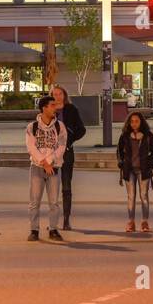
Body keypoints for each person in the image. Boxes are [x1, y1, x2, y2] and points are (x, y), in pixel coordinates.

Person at [25, 94, 67, 242]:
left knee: (54, 202)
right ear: (44, 108)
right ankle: (34, 230)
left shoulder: (59, 126)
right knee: (34, 201)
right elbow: (31, 147)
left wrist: (50, 161)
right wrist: (44, 162)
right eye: (52, 105)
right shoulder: (32, 127)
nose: (55, 108)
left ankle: (53, 229)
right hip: (37, 167)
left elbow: (62, 146)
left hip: (54, 167)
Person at [116, 110, 153, 233]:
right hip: (129, 169)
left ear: (141, 122)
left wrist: (150, 163)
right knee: (131, 197)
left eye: (136, 121)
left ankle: (144, 222)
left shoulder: (148, 136)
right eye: (132, 122)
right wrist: (121, 162)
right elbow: (119, 151)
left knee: (144, 196)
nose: (134, 124)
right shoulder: (124, 136)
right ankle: (131, 222)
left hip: (143, 170)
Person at [51, 85, 87, 231]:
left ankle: (66, 219)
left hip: (67, 152)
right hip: (50, 154)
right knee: (52, 188)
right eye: (54, 94)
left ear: (64, 95)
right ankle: (53, 221)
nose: (57, 96)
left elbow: (82, 130)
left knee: (66, 187)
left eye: (60, 94)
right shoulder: (48, 109)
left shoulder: (71, 109)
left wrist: (69, 140)